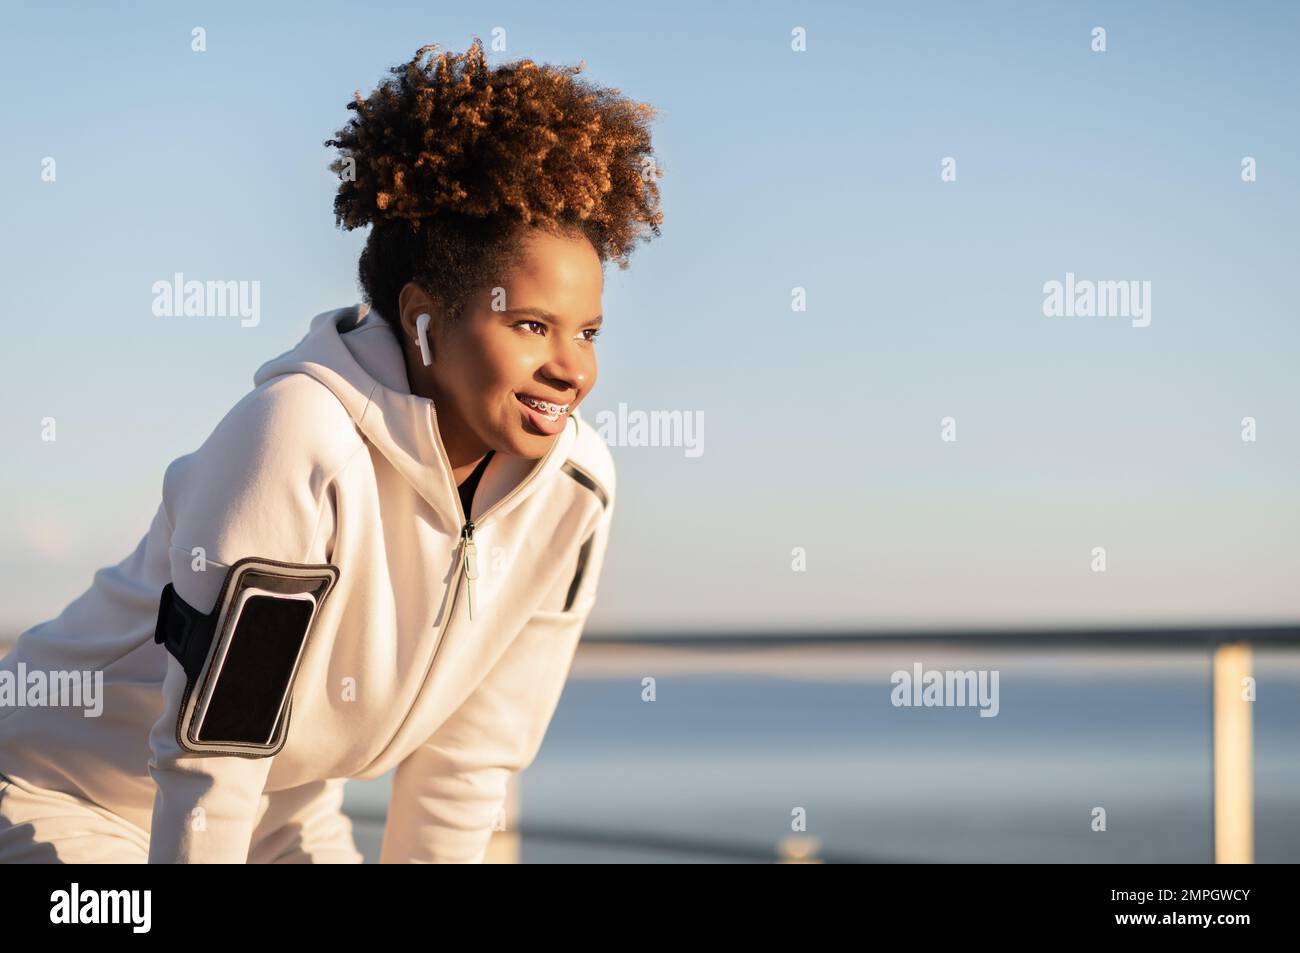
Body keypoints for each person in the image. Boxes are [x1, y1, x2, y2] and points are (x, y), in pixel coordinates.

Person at [0, 38, 663, 863]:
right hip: (60, 790)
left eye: (588, 332)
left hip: (281, 803)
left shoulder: (576, 490)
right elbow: (216, 754)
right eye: (530, 325)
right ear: (424, 317)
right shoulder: (298, 438)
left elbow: (468, 763)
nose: (571, 367)